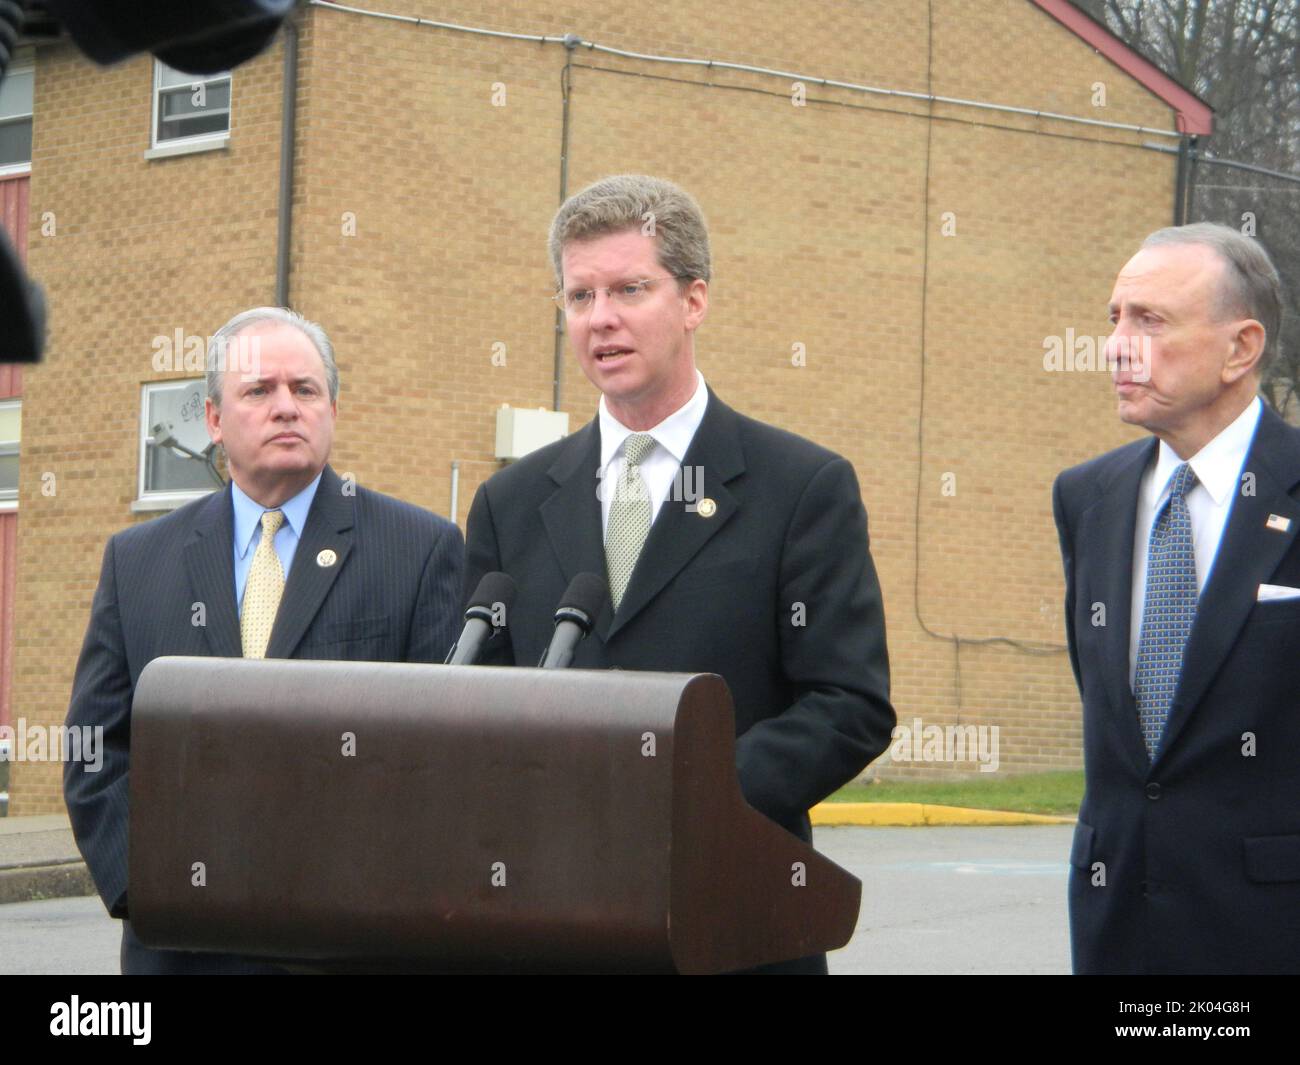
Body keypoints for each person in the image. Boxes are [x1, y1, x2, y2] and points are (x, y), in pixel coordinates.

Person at [463, 175, 894, 974]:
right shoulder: (511, 502)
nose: (602, 318)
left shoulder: (799, 486)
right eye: (580, 294)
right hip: (551, 927)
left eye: (631, 288)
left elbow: (849, 703)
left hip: (733, 923)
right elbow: (476, 706)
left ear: (694, 300)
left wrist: (683, 796)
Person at [64, 306, 465, 974]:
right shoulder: (138, 560)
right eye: (259, 390)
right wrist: (151, 888)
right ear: (215, 419)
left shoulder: (420, 549)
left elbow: (443, 757)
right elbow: (94, 748)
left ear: (332, 406)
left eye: (305, 389)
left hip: (347, 949)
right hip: (181, 950)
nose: (287, 407)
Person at [1053, 223, 1300, 974]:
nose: (1117, 346)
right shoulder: (1086, 497)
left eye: (1151, 320)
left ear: (1241, 347)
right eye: (1115, 318)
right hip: (1118, 928)